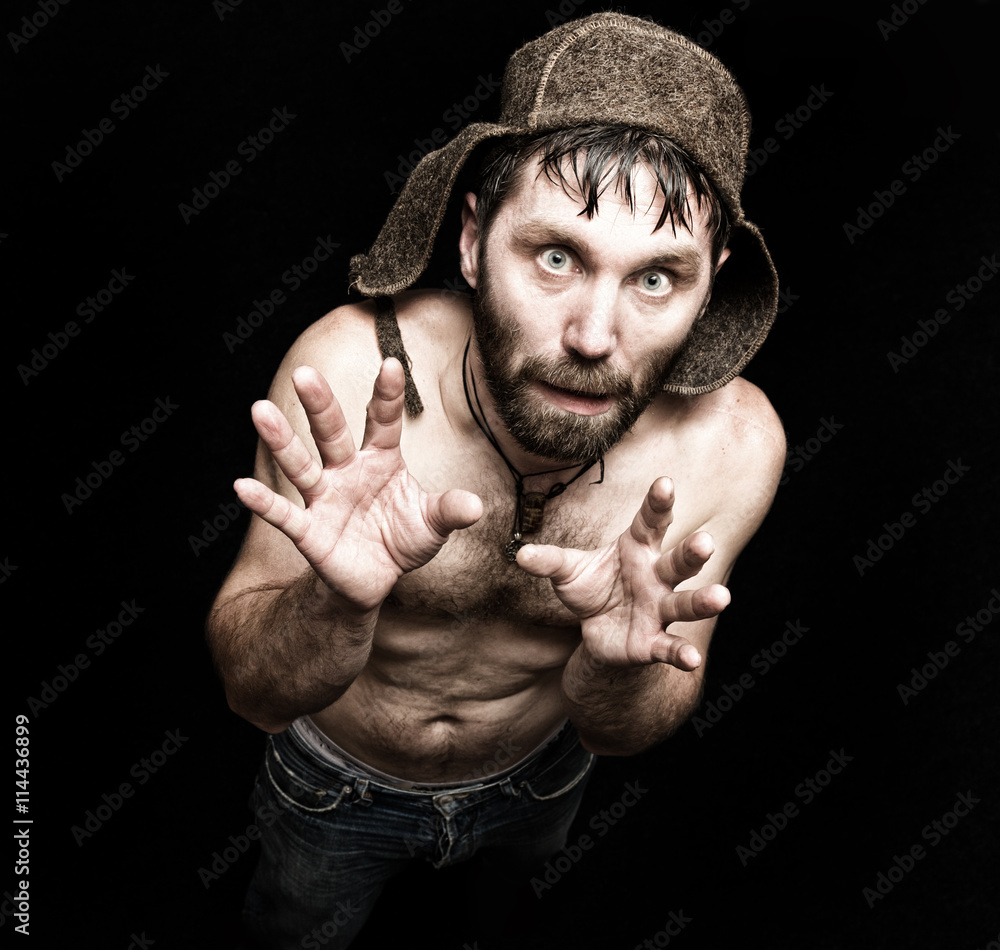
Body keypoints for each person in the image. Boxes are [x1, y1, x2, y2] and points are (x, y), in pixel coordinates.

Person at [207, 12, 785, 948]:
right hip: (335, 785)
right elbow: (252, 694)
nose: (595, 336)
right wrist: (334, 606)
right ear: (473, 239)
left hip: (542, 781)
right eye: (556, 257)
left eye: (656, 280)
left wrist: (614, 666)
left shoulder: (730, 446)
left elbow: (624, 733)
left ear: (711, 284)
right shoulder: (351, 377)